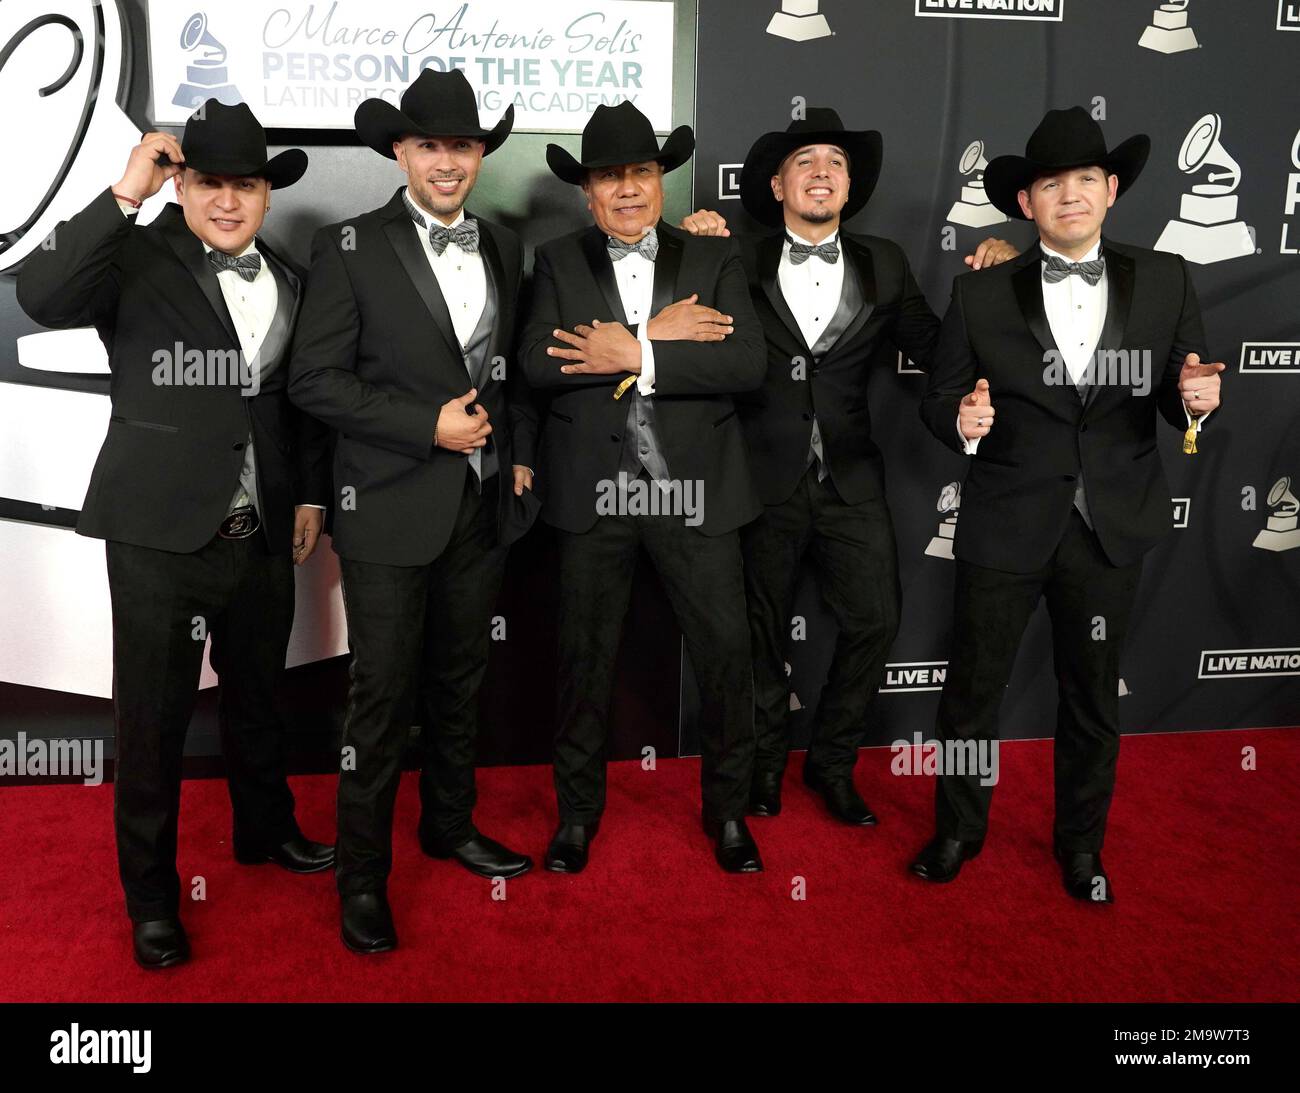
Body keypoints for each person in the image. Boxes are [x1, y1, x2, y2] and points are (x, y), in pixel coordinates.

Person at [17, 101, 334, 969]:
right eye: (209, 183)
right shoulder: (135, 254)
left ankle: (264, 832)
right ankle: (152, 898)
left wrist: (308, 498)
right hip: (159, 533)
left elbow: (294, 407)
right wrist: (125, 192)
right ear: (181, 185)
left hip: (261, 530)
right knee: (151, 721)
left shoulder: (293, 276)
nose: (228, 201)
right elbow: (39, 294)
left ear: (268, 194)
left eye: (245, 185)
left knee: (259, 699)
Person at [911, 107, 1224, 902]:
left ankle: (1081, 847)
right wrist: (958, 419)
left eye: (1086, 179)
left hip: (1107, 529)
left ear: (1112, 189)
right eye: (1052, 183)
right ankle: (957, 830)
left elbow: (1181, 392)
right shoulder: (979, 293)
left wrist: (1196, 402)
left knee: (1091, 698)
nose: (1071, 194)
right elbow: (941, 394)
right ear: (1027, 203)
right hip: (1005, 521)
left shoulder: (1166, 278)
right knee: (972, 694)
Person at [679, 108, 1015, 823]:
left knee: (876, 620)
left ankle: (831, 763)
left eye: (834, 161)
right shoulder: (733, 256)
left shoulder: (884, 261)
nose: (821, 172)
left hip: (852, 478)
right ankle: (764, 765)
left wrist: (988, 285)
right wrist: (695, 241)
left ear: (851, 182)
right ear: (775, 184)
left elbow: (934, 346)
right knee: (758, 634)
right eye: (805, 162)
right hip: (759, 477)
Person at [288, 69, 539, 954]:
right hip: (387, 506)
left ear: (480, 155)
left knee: (460, 680)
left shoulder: (507, 246)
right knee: (381, 698)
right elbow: (313, 379)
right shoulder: (346, 244)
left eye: (462, 145)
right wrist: (424, 427)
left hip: (478, 512)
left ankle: (449, 823)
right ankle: (363, 878)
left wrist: (516, 458)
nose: (446, 161)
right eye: (429, 144)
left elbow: (515, 374)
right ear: (399, 151)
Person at [519, 101, 767, 874]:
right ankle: (577, 815)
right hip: (595, 491)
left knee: (728, 652)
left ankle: (728, 812)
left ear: (662, 180)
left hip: (695, 490)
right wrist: (663, 336)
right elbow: (535, 363)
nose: (626, 189)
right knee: (583, 659)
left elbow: (744, 365)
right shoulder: (558, 260)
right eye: (608, 177)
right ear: (587, 192)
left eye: (641, 172)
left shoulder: (713, 257)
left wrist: (636, 350)